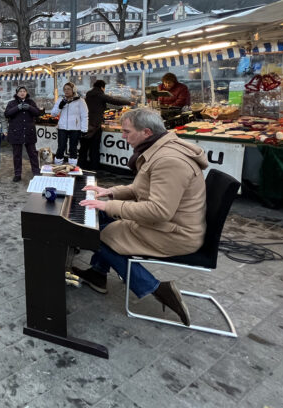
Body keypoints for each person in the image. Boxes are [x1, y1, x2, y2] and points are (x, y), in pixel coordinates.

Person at [76, 107, 208, 326]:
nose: (123, 137)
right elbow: (141, 189)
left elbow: (158, 211)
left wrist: (109, 206)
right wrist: (110, 193)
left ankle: (156, 288)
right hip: (168, 226)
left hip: (175, 234)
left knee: (96, 233)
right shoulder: (159, 148)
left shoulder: (168, 161)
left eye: (127, 132)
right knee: (100, 218)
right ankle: (98, 273)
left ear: (146, 132)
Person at [79, 80, 133, 170]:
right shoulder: (100, 94)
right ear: (102, 87)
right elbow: (113, 100)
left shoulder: (88, 95)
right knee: (94, 148)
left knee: (83, 148)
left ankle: (81, 166)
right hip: (95, 125)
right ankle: (94, 167)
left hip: (85, 124)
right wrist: (128, 103)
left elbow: (97, 106)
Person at [4, 86, 42, 181]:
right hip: (16, 132)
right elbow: (7, 114)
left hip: (29, 132)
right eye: (20, 91)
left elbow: (37, 113)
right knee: (17, 155)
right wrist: (17, 108)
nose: (22, 93)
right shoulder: (11, 103)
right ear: (17, 93)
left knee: (32, 153)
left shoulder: (31, 102)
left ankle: (36, 172)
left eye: (24, 91)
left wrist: (29, 108)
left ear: (26, 92)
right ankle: (17, 174)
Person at [50, 82, 89, 167]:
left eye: (68, 89)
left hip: (75, 128)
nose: (66, 91)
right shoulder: (60, 99)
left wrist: (84, 129)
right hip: (62, 128)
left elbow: (84, 115)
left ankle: (72, 166)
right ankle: (58, 165)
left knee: (73, 148)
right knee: (61, 147)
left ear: (73, 90)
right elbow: (53, 114)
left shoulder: (80, 101)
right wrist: (60, 106)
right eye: (65, 89)